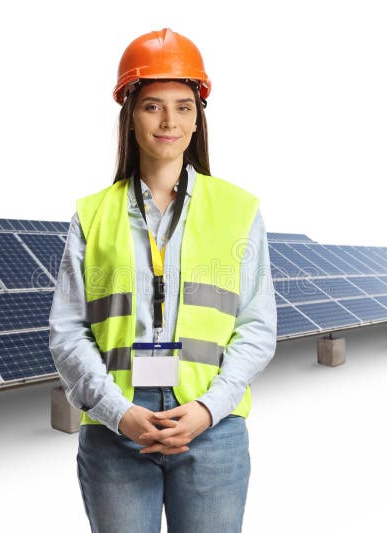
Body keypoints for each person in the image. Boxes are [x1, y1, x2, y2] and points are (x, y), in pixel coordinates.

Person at [48, 27, 277, 533]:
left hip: (211, 429)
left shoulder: (240, 210)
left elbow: (257, 326)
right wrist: (117, 412)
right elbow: (68, 332)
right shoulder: (93, 214)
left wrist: (207, 409)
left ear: (199, 119)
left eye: (183, 106)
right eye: (152, 106)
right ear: (129, 116)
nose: (169, 120)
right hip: (117, 428)